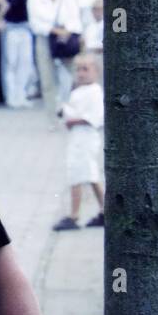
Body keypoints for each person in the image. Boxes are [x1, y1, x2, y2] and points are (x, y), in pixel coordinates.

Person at [53, 53, 104, 231]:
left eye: (86, 69)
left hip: (87, 137)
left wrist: (72, 119)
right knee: (90, 175)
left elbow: (94, 117)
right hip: (77, 137)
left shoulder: (95, 92)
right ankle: (105, 210)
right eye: (78, 69)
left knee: (78, 174)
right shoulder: (77, 91)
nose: (81, 74)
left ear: (96, 72)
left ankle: (74, 215)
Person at [27, 0, 82, 117]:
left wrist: (67, 31)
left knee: (75, 74)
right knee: (47, 80)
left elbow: (74, 17)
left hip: (67, 38)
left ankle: (73, 110)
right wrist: (54, 30)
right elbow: (35, 23)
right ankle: (52, 116)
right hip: (45, 40)